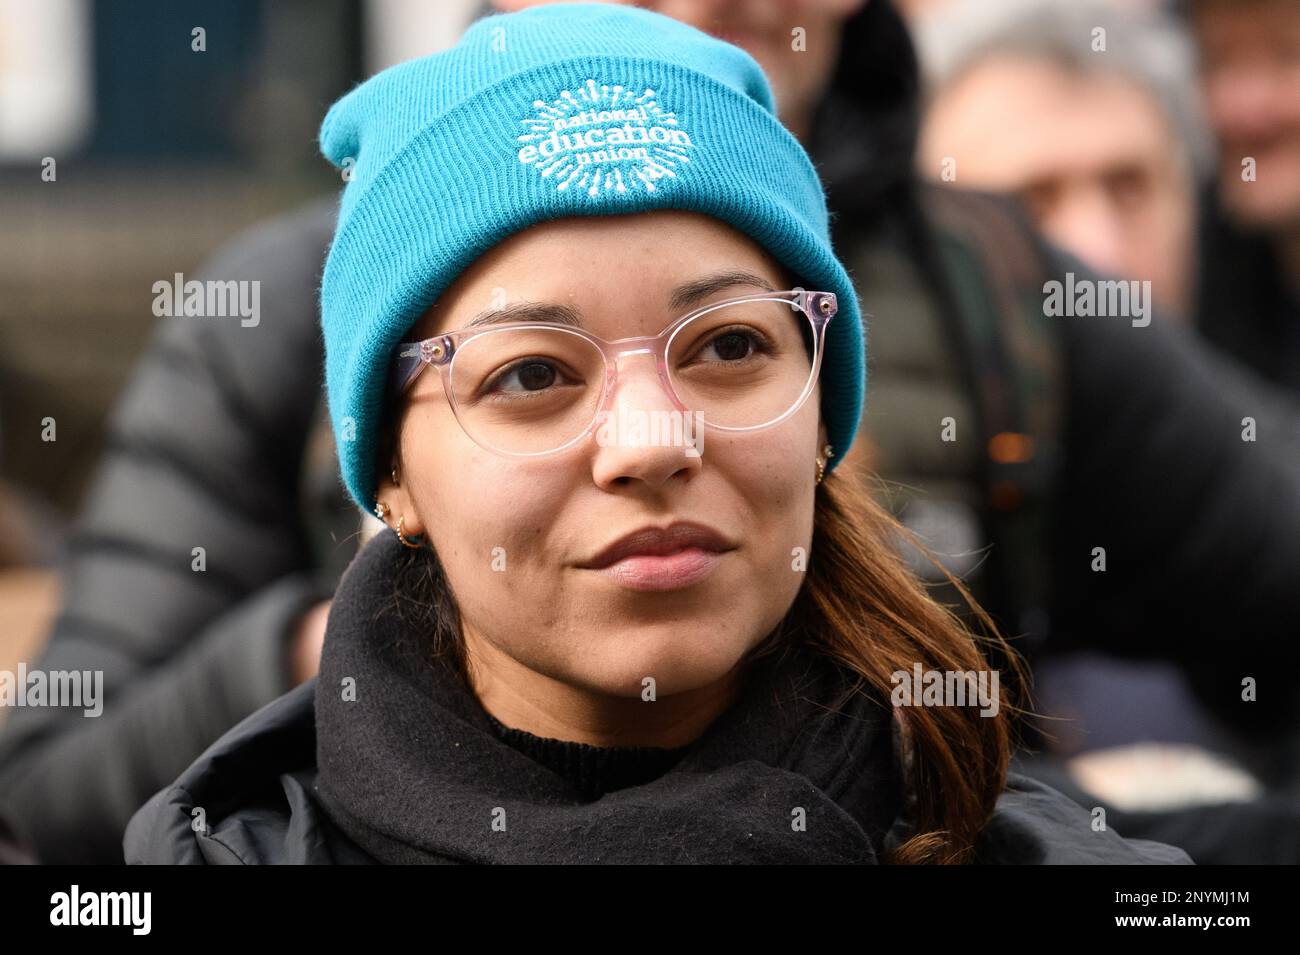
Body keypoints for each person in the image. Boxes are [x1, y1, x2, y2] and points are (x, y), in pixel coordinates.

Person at [5, 0, 1298, 865]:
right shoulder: (293, 298)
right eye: (527, 376)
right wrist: (325, 651)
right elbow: (48, 776)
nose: (649, 439)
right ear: (387, 473)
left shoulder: (1000, 289)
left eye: (734, 348)